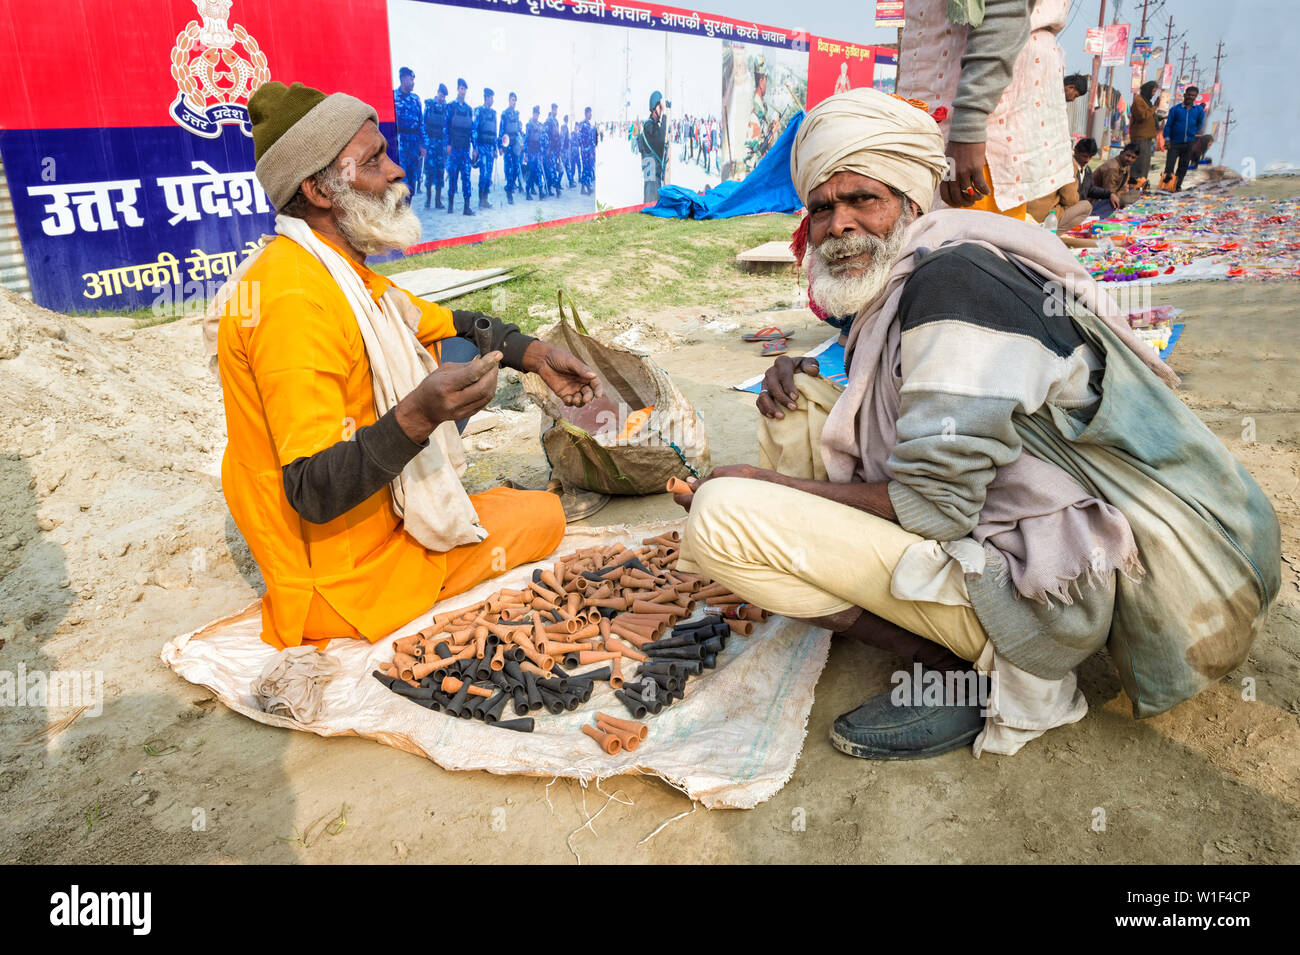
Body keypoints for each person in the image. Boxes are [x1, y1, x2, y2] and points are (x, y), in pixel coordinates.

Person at [670, 87, 1278, 760]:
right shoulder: (924, 267)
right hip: (1023, 523)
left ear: (909, 203)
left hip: (1052, 590)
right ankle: (931, 621)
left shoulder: (952, 284)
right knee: (804, 405)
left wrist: (764, 485)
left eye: (861, 200)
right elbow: (918, 403)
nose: (838, 224)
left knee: (723, 516)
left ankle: (974, 672)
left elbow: (933, 503)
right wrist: (802, 376)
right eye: (822, 207)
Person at [217, 80, 604, 651]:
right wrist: (418, 418)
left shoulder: (340, 272)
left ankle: (435, 515)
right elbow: (311, 490)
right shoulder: (292, 300)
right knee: (544, 516)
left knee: (467, 367)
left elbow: (456, 325)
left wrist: (537, 356)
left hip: (375, 521)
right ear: (319, 191)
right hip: (338, 578)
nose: (396, 171)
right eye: (374, 160)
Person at [898, 0, 1074, 220]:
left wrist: (968, 129)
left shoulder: (969, 130)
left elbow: (1005, 7)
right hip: (953, 110)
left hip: (978, 122)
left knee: (962, 242)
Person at [1025, 136, 1095, 232]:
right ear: (1074, 151)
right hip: (1043, 216)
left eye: (1089, 157)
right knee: (1086, 206)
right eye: (1084, 156)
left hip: (1025, 212)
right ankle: (1053, 234)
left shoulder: (1034, 159)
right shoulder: (1066, 164)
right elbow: (1069, 199)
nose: (1087, 160)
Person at [1162, 85, 1206, 191]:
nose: (1190, 97)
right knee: (1169, 167)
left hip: (1189, 143)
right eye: (1189, 95)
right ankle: (1167, 186)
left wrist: (1193, 132)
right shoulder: (1175, 109)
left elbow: (1200, 124)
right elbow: (1168, 125)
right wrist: (1167, 139)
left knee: (1183, 166)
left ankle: (1176, 186)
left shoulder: (1199, 110)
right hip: (1174, 143)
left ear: (1196, 97)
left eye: (1193, 95)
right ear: (1185, 95)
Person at [444, 78, 476, 216]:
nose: (463, 91)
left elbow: (472, 130)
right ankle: (450, 205)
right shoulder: (451, 106)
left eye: (465, 89)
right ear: (458, 89)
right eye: (461, 88)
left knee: (466, 178)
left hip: (464, 150)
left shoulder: (469, 109)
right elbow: (446, 127)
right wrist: (448, 144)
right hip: (454, 148)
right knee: (452, 177)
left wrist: (474, 147)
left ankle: (466, 207)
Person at [393, 67, 425, 197]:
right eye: (411, 79)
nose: (413, 82)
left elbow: (421, 123)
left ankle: (406, 208)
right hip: (399, 143)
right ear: (403, 79)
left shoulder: (416, 99)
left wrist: (423, 145)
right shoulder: (392, 96)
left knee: (412, 180)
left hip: (413, 144)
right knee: (401, 179)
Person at [1089, 142, 1139, 217]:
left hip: (1112, 195)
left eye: (1133, 157)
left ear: (1136, 159)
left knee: (1136, 194)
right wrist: (1120, 199)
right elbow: (1109, 191)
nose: (1129, 159)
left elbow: (1123, 187)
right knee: (1127, 198)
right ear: (1122, 153)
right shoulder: (1112, 167)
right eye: (1128, 155)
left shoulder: (1126, 165)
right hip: (1096, 200)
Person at [638, 90, 669, 204]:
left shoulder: (654, 125)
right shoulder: (649, 125)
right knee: (651, 201)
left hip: (654, 169)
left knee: (655, 200)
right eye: (660, 107)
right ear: (655, 107)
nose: (661, 110)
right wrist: (665, 115)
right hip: (650, 168)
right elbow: (661, 138)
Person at [422, 83, 448, 209]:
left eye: (444, 96)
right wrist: (425, 144)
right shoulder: (430, 106)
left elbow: (447, 127)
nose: (442, 97)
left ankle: (438, 201)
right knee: (429, 172)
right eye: (441, 94)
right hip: (430, 144)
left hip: (441, 145)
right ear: (437, 92)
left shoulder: (445, 108)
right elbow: (424, 124)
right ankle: (428, 200)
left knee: (440, 172)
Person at [1129, 81, 1159, 186]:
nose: (1154, 94)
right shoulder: (1139, 100)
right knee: (1139, 163)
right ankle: (1135, 184)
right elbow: (1142, 116)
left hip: (1147, 137)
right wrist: (1155, 107)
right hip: (1139, 136)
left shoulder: (1146, 102)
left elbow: (1149, 116)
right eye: (1153, 91)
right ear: (1148, 90)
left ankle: (1142, 183)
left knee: (1145, 163)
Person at [474, 87, 498, 210]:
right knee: (483, 174)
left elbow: (495, 132)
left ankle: (485, 199)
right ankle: (480, 200)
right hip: (482, 147)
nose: (492, 100)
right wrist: (475, 148)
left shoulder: (494, 114)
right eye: (491, 98)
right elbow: (474, 130)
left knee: (488, 174)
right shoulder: (479, 111)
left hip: (490, 148)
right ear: (486, 98)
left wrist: (495, 148)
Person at [498, 92, 523, 205]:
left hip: (515, 145)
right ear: (509, 100)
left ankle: (511, 185)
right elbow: (501, 130)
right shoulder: (504, 114)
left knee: (516, 169)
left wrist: (521, 140)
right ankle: (509, 192)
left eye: (515, 100)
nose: (514, 102)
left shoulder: (517, 114)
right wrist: (500, 146)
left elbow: (518, 130)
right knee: (509, 169)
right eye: (512, 100)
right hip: (507, 145)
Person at [524, 105, 546, 200]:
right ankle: (527, 191)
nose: (536, 116)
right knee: (531, 172)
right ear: (533, 114)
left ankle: (541, 191)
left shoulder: (540, 126)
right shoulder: (529, 125)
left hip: (537, 153)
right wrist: (525, 154)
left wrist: (541, 154)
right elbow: (526, 140)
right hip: (530, 152)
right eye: (535, 114)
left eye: (538, 114)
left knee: (539, 171)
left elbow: (541, 140)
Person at [576, 106, 597, 195]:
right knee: (587, 168)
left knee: (586, 169)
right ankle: (588, 187)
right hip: (586, 151)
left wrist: (592, 150)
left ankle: (583, 188)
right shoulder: (583, 124)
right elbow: (580, 138)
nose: (590, 114)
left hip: (589, 151)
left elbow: (591, 139)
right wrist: (584, 149)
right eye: (589, 113)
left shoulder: (588, 124)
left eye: (591, 113)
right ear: (585, 114)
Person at [544, 103, 563, 197]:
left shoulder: (556, 121)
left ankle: (547, 186)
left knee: (553, 169)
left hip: (556, 149)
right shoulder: (548, 121)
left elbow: (558, 136)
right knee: (552, 169)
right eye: (554, 109)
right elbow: (545, 135)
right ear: (551, 110)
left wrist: (559, 150)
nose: (555, 111)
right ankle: (557, 189)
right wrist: (547, 148)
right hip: (550, 149)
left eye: (556, 110)